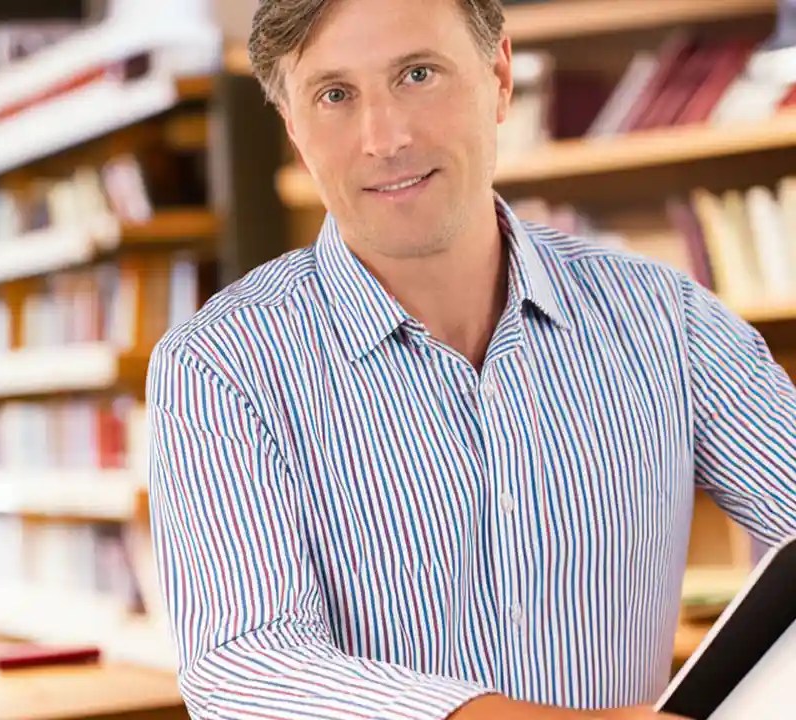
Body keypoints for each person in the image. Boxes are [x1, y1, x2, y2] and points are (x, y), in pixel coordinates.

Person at [144, 0, 796, 718]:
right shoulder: (219, 367)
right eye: (335, 95)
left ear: (500, 76)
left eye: (418, 74)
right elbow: (247, 670)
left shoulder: (669, 323)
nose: (384, 137)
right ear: (294, 126)